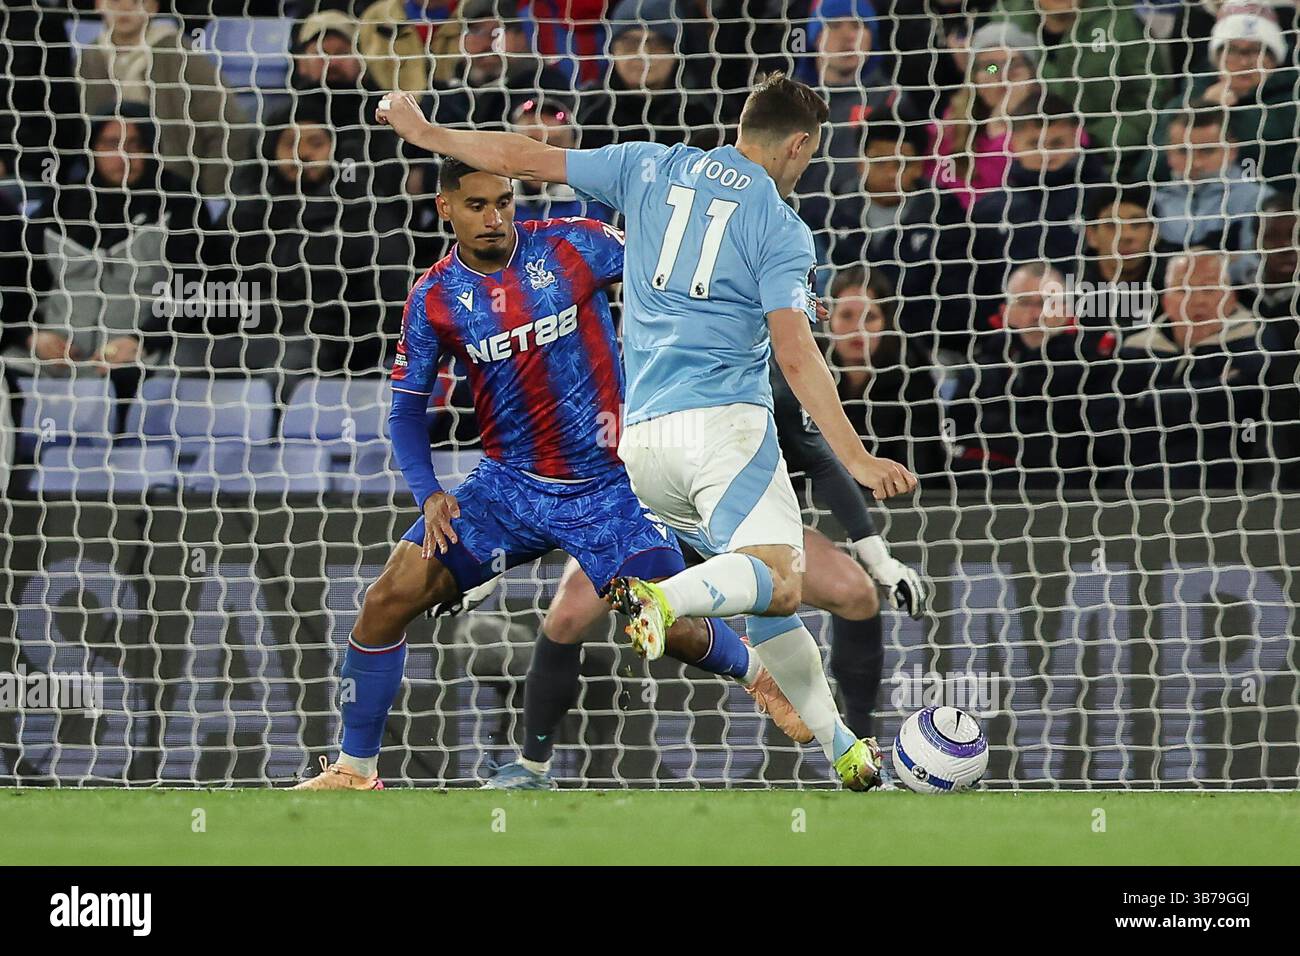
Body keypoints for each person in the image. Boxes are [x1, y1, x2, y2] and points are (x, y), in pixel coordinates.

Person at [377, 71, 919, 791]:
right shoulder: (782, 226)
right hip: (725, 428)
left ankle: (844, 748)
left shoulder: (648, 163)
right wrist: (857, 456)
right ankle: (663, 601)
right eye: (809, 156)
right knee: (782, 582)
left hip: (641, 446)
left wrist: (431, 135)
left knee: (758, 599)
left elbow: (524, 155)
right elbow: (794, 352)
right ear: (798, 145)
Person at [292, 157, 802, 791]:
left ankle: (758, 674)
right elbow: (404, 412)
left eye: (504, 202)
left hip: (610, 484)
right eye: (477, 205)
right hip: (508, 486)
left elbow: (671, 271)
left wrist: (765, 288)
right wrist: (429, 495)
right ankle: (355, 771)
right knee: (387, 598)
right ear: (446, 208)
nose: (495, 217)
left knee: (658, 621)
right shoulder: (435, 298)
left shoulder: (574, 243)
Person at [1099, 248, 1270, 490]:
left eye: (1209, 289)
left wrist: (1150, 399)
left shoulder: (1257, 343)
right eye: (1184, 290)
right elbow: (1107, 425)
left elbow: (1243, 410)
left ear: (1230, 297)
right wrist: (1212, 392)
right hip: (1135, 486)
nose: (1198, 300)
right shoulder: (1135, 349)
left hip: (1226, 487)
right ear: (1166, 300)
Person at [77, 0, 253, 197]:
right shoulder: (89, 58)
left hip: (177, 189)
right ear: (98, 4)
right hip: (106, 189)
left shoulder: (179, 53)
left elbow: (231, 125)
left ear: (153, 7)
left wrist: (213, 195)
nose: (125, 8)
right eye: (116, 0)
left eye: (137, 1)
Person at [925, 21, 1041, 211]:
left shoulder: (1056, 120)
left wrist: (1000, 130)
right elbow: (950, 193)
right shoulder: (949, 128)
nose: (1002, 76)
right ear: (974, 79)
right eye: (990, 68)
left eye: (1015, 66)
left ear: (1033, 77)